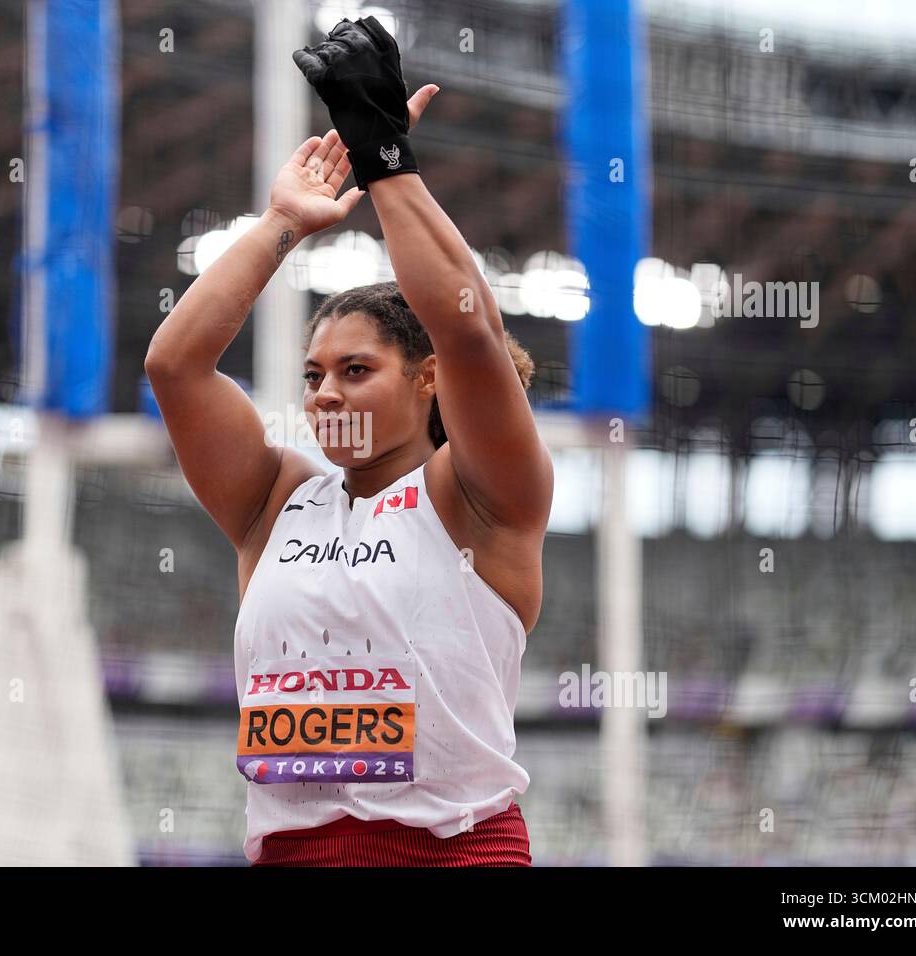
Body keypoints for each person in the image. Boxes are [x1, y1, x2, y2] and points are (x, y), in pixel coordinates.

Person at [145, 16, 553, 865]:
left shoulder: (476, 495)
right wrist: (281, 224)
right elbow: (175, 367)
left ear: (425, 378)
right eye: (312, 374)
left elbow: (468, 326)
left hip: (454, 855)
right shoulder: (276, 504)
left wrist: (386, 160)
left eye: (356, 369)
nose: (325, 391)